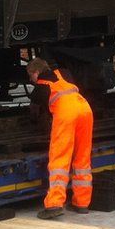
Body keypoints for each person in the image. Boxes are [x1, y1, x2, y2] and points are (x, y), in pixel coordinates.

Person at [26, 57, 94, 219]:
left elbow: (35, 112)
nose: (31, 80)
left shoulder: (41, 86)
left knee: (59, 159)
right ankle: (82, 203)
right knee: (83, 158)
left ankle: (54, 204)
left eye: (31, 76)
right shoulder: (63, 72)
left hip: (66, 115)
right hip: (85, 109)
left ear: (36, 73)